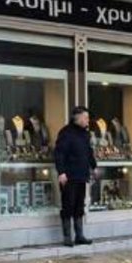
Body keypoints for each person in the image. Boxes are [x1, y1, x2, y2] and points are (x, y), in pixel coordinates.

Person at [54, 105, 97, 247]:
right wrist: (61, 172)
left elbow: (88, 152)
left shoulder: (85, 134)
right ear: (77, 118)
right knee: (68, 205)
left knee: (79, 206)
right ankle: (67, 237)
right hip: (69, 176)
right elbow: (59, 153)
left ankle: (79, 235)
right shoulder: (66, 133)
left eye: (88, 118)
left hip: (82, 175)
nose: (87, 120)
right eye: (85, 117)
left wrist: (94, 166)